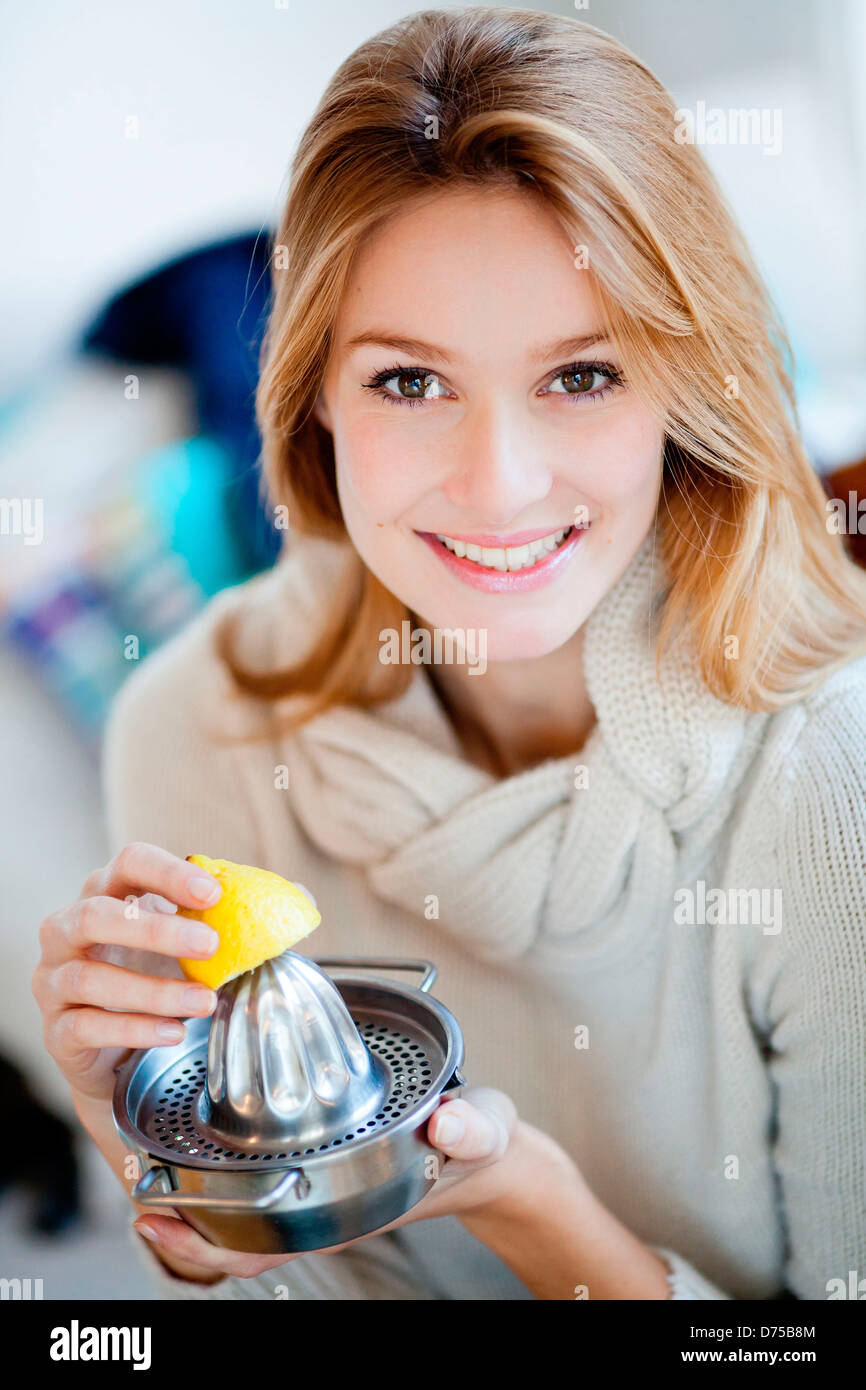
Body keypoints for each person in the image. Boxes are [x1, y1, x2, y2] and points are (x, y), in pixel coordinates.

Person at [32, 7, 866, 1300]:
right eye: (410, 383)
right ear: (310, 389)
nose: (498, 484)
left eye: (580, 375)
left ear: (682, 385)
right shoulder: (195, 726)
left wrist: (526, 1200)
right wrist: (163, 1163)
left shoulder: (829, 764)